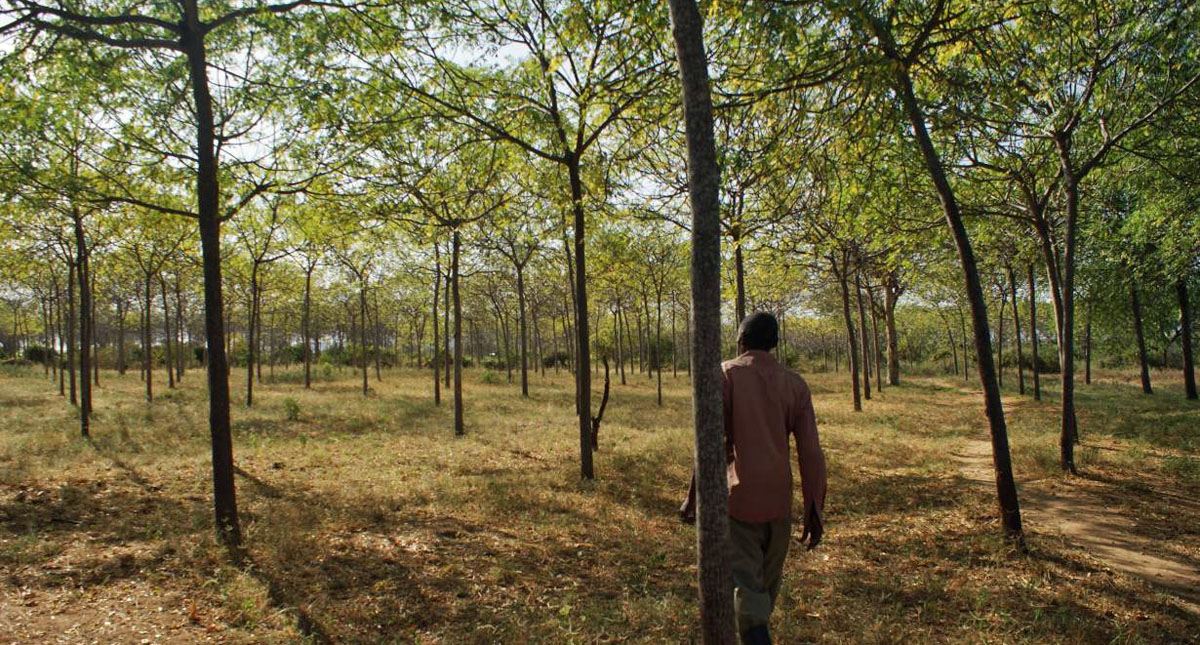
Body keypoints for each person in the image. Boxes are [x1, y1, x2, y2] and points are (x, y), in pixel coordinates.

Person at [680, 311, 827, 645]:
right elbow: (811, 451)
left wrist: (694, 494)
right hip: (779, 505)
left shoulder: (724, 375)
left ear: (741, 340)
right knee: (760, 596)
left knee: (750, 605)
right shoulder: (795, 384)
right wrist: (814, 509)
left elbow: (709, 442)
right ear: (774, 344)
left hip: (738, 503)